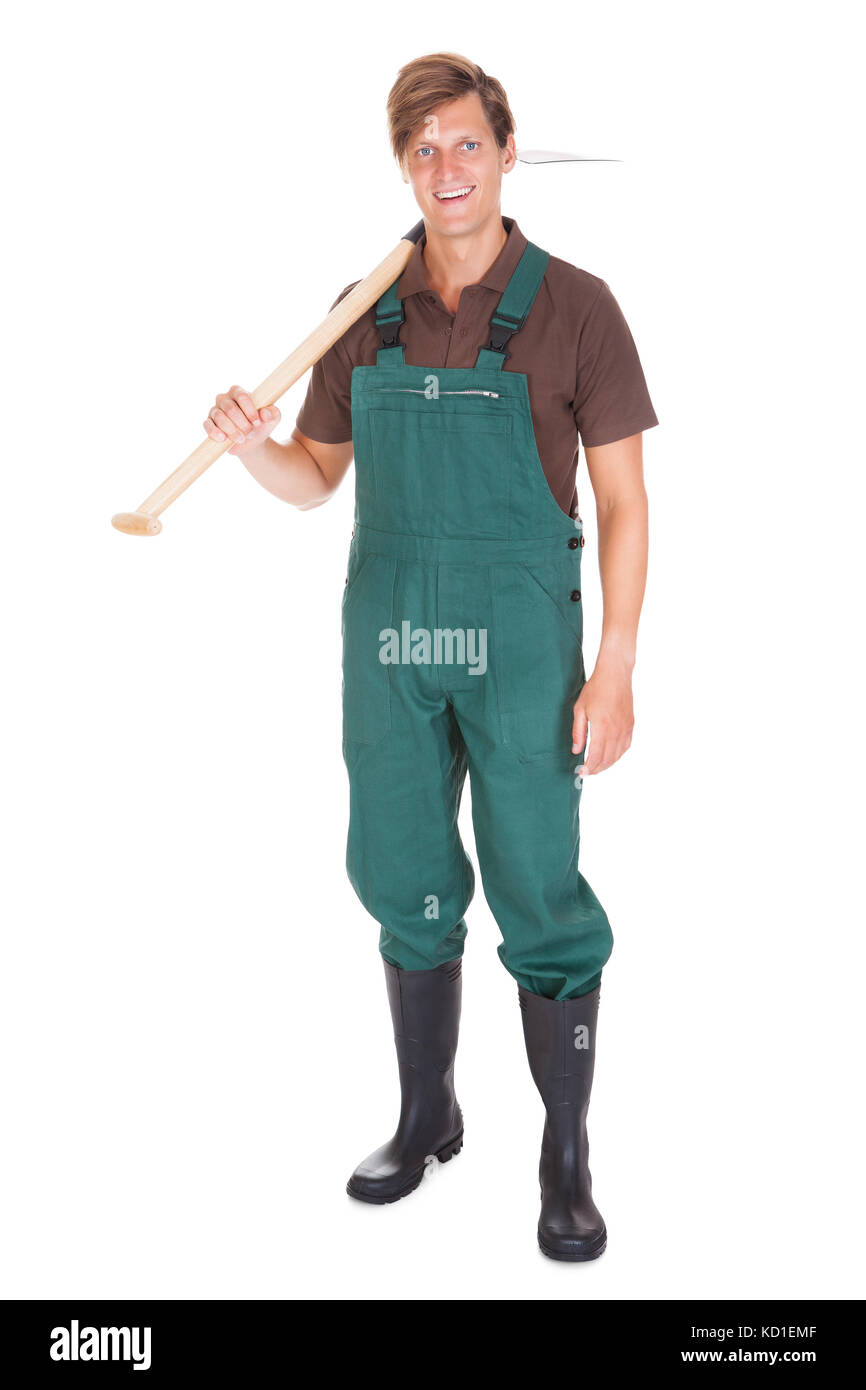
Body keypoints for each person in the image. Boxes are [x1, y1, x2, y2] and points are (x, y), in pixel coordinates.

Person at [203, 52, 658, 1262]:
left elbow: (621, 503)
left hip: (521, 647)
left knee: (538, 889)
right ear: (403, 165)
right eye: (421, 149)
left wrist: (610, 668)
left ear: (506, 151)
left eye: (464, 143)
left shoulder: (578, 307)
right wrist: (253, 447)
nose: (443, 168)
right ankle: (426, 1112)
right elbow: (313, 484)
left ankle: (564, 1153)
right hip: (393, 635)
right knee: (401, 870)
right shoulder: (362, 306)